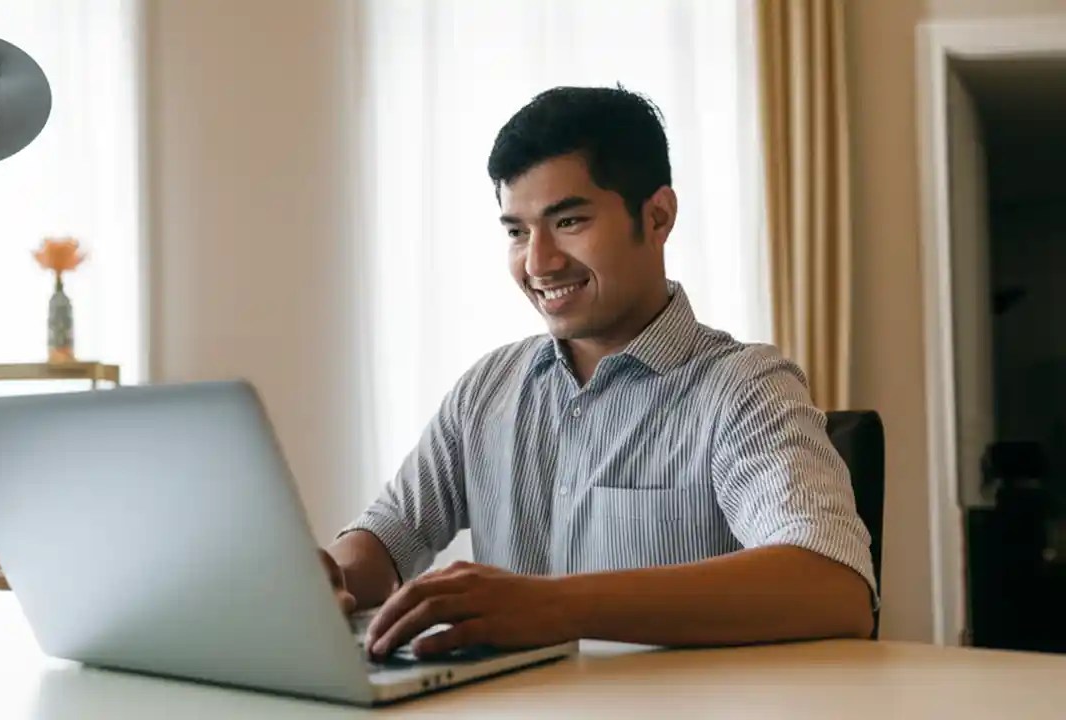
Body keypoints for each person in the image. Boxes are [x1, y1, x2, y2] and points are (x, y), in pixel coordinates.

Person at [322, 86, 876, 661]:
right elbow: (386, 539)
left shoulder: (743, 387)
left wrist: (555, 606)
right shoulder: (487, 390)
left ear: (658, 216)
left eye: (569, 221)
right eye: (516, 232)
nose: (538, 263)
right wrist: (326, 577)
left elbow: (834, 588)